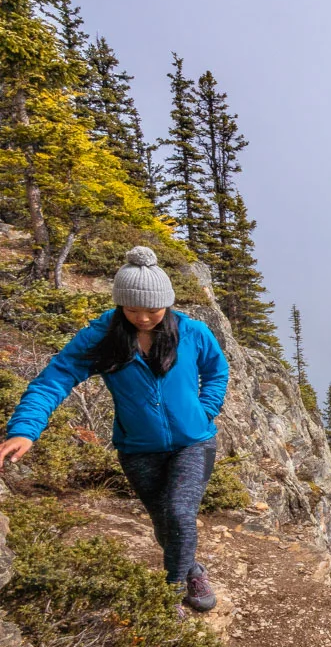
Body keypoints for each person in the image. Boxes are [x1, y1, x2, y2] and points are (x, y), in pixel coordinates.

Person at [0, 247, 230, 611]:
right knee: (163, 524)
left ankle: (169, 596)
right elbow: (53, 380)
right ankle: (193, 569)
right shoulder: (101, 337)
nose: (142, 317)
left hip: (194, 442)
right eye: (132, 309)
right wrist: (25, 429)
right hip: (138, 448)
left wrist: (205, 410)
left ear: (166, 304)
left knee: (180, 513)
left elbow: (217, 371)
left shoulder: (193, 332)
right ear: (120, 304)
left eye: (152, 310)